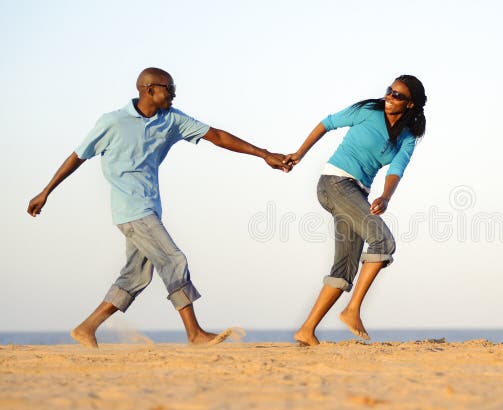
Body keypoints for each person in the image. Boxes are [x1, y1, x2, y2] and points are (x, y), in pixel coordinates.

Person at [27, 67, 290, 348]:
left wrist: (263, 154)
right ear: (149, 89)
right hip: (131, 210)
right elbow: (77, 156)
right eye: (169, 88)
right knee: (174, 259)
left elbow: (217, 136)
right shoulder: (112, 122)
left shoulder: (172, 120)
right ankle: (195, 334)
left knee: (136, 275)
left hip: (150, 208)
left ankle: (86, 327)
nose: (174, 94)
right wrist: (46, 191)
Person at [285, 75, 427, 346]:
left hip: (356, 193)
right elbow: (326, 124)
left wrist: (385, 196)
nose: (389, 96)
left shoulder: (407, 138)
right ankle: (352, 311)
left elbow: (397, 169)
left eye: (397, 95)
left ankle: (306, 330)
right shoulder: (367, 111)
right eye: (390, 91)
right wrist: (300, 154)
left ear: (410, 105)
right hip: (335, 182)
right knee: (383, 240)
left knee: (344, 267)